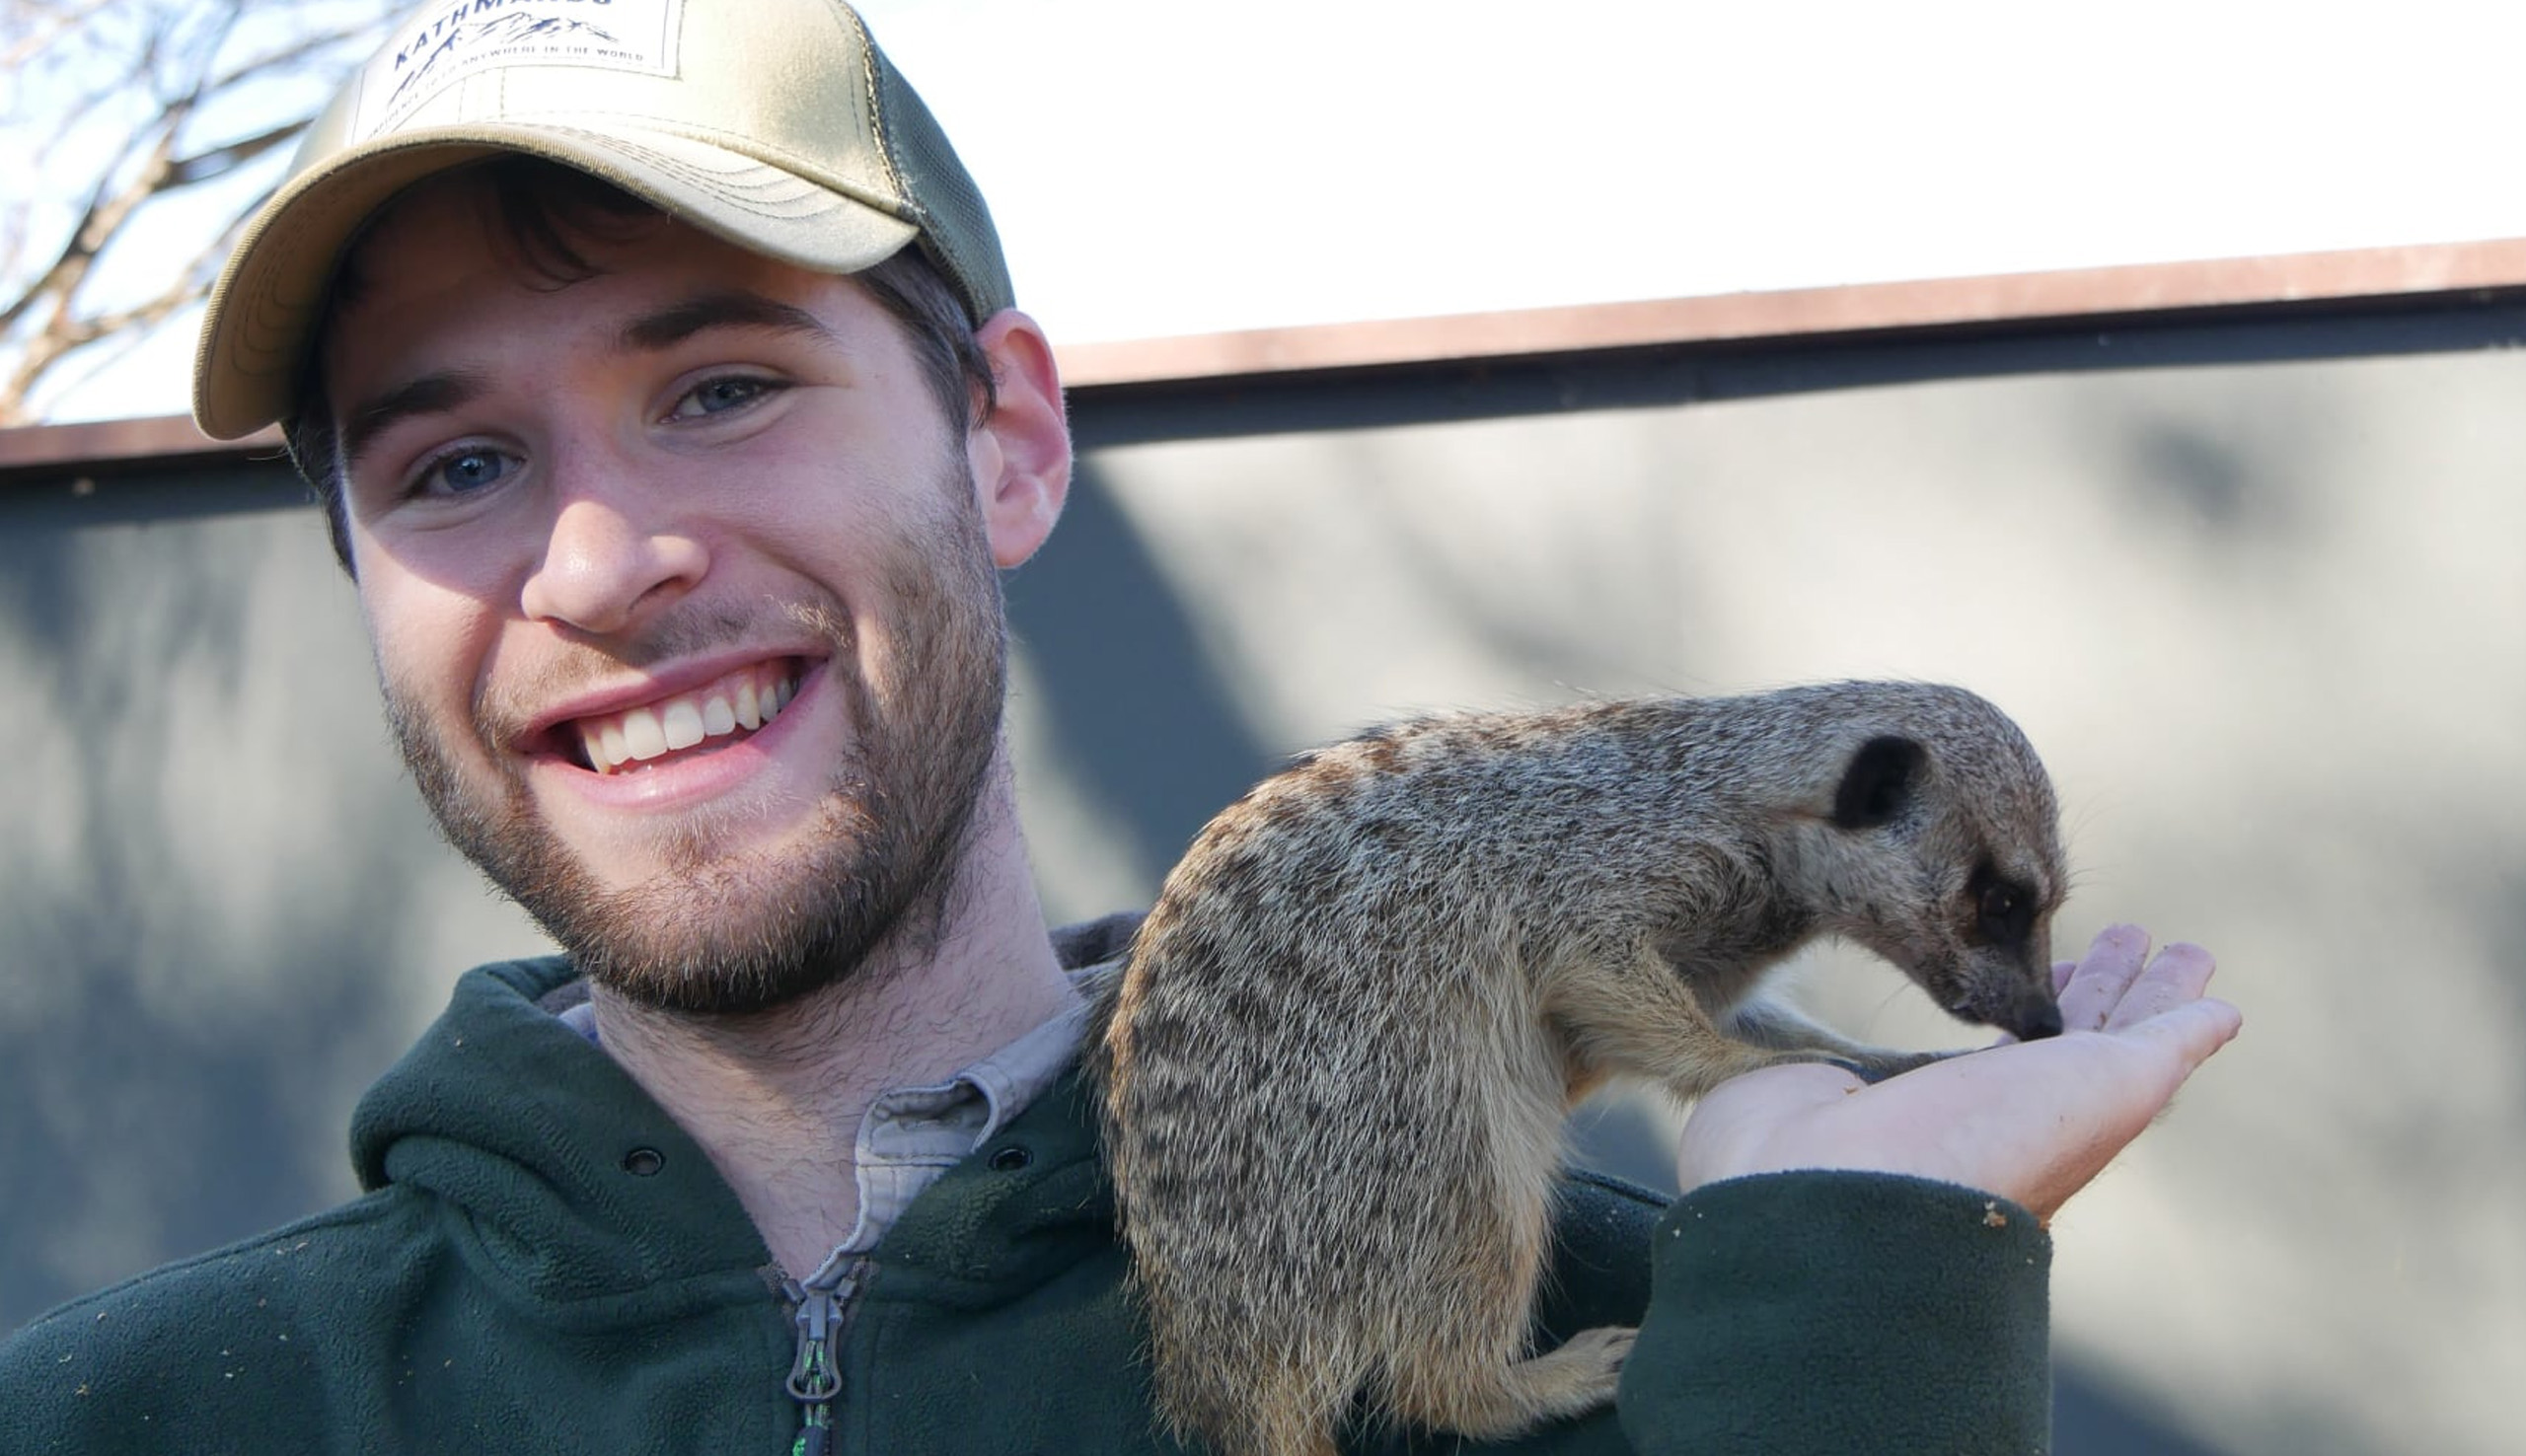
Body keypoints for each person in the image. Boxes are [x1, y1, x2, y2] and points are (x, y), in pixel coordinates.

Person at [0, 1, 2242, 1451]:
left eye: (721, 386)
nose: (596, 567)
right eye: (452, 465)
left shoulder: (1701, 1343)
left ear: (1009, 445)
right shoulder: (133, 1418)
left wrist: (1849, 1330)